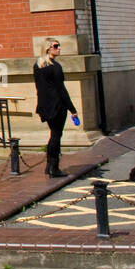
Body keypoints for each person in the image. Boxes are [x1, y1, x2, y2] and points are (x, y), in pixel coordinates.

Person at [34, 37, 78, 177]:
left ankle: (49, 166)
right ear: (48, 48)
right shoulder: (55, 66)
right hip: (57, 106)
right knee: (56, 135)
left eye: (59, 46)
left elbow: (39, 87)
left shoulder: (38, 65)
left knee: (53, 133)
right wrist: (73, 109)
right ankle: (54, 167)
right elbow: (61, 90)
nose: (59, 48)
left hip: (44, 106)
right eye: (56, 46)